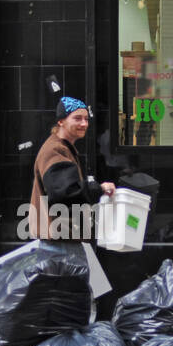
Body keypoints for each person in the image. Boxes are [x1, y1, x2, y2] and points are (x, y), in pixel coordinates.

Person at [29, 96, 115, 241]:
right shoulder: (55, 150)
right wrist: (99, 189)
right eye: (77, 118)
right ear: (61, 121)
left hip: (63, 238)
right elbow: (66, 192)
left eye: (86, 119)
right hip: (59, 242)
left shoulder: (64, 148)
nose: (84, 124)